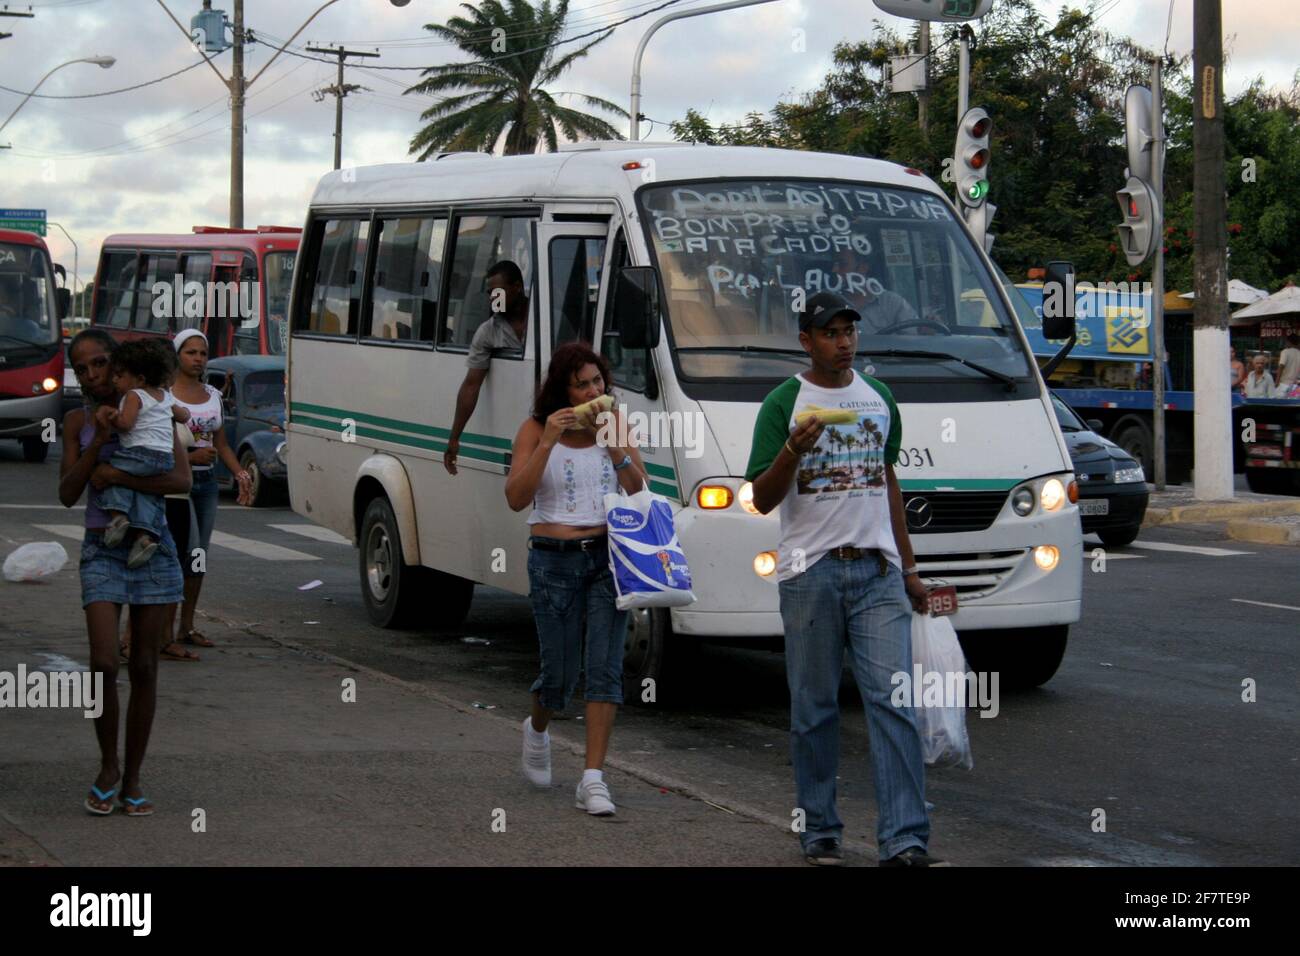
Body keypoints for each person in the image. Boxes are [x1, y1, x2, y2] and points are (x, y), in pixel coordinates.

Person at [744, 290, 943, 867]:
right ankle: (819, 826)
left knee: (893, 703)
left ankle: (905, 838)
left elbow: (888, 484)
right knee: (814, 708)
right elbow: (761, 497)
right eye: (830, 333)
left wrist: (909, 568)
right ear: (807, 342)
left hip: (877, 571)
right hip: (811, 572)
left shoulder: (879, 398)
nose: (844, 342)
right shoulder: (784, 403)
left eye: (849, 331)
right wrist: (791, 450)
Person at [504, 342, 647, 815]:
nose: (593, 391)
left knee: (605, 669)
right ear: (562, 391)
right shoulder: (534, 428)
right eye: (581, 384)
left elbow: (639, 488)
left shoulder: (615, 424)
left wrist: (615, 447)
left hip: (607, 557)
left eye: (598, 381)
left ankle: (593, 779)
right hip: (554, 560)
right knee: (559, 675)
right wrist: (547, 440)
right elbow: (516, 498)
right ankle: (538, 727)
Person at [60, 328, 191, 817]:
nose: (92, 375)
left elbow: (179, 478)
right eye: (82, 368)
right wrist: (102, 443)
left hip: (151, 548)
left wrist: (119, 475)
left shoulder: (153, 406)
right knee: (103, 663)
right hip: (102, 548)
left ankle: (133, 776)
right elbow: (68, 492)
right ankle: (107, 765)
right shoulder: (77, 421)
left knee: (143, 666)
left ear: (117, 364)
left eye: (99, 364)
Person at [165, 328, 253, 652]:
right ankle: (164, 631)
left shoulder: (213, 396)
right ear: (177, 355)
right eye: (190, 352)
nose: (198, 359)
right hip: (176, 485)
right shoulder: (165, 396)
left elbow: (222, 445)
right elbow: (159, 448)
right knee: (181, 555)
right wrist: (191, 456)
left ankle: (186, 628)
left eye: (202, 353)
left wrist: (241, 473)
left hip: (207, 485)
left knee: (199, 558)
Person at [97, 340, 191, 568]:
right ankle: (144, 537)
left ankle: (118, 516)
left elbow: (127, 424)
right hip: (164, 459)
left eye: (120, 375)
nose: (115, 381)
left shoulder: (134, 396)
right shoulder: (165, 396)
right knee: (148, 494)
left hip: (139, 453)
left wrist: (112, 418)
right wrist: (184, 411)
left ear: (139, 379)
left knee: (112, 474)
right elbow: (183, 416)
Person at [444, 261, 529, 475]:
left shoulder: (549, 319)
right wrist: (454, 437)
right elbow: (471, 386)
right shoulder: (488, 332)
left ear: (517, 287)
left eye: (497, 292)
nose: (492, 298)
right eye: (490, 293)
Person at [832, 247, 919, 332]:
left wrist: (925, 332)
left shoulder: (891, 302)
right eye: (834, 265)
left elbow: (912, 337)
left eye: (842, 264)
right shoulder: (828, 303)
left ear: (863, 268)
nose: (835, 270)